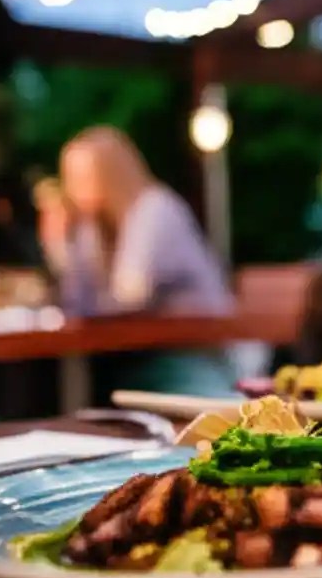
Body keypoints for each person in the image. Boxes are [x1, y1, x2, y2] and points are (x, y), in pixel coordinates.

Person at [39, 126, 236, 397]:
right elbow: (76, 302)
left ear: (111, 174)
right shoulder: (94, 226)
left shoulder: (155, 210)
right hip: (143, 357)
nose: (71, 189)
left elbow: (130, 297)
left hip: (196, 356)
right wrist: (58, 245)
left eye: (80, 177)